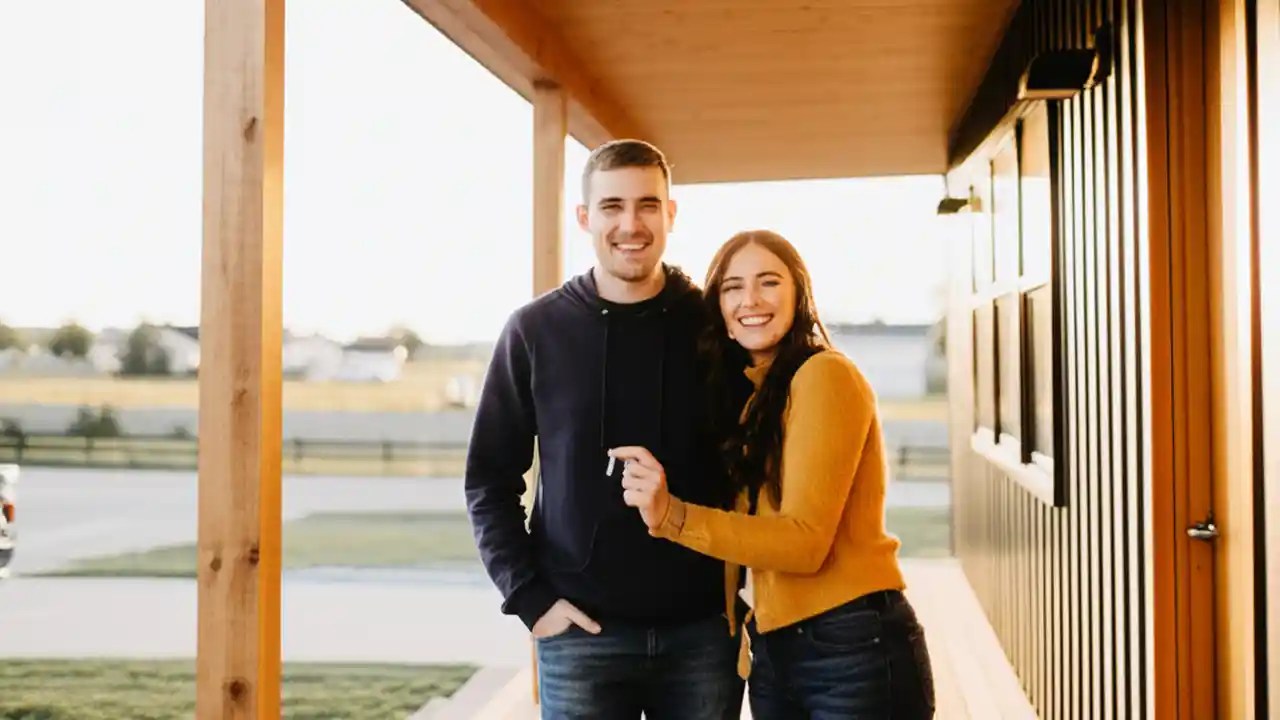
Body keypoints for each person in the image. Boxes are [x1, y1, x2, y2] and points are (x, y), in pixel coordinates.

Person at [464, 139, 743, 719]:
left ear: (670, 214)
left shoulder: (713, 327)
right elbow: (489, 479)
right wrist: (530, 598)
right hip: (579, 636)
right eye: (612, 206)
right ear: (586, 217)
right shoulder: (534, 331)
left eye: (647, 205)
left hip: (701, 635)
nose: (630, 224)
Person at [611, 230, 936, 719]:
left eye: (769, 282)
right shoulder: (757, 396)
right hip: (777, 647)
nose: (751, 301)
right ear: (718, 308)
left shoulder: (825, 376)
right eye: (733, 287)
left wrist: (672, 516)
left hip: (850, 645)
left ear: (798, 293)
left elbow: (803, 544)